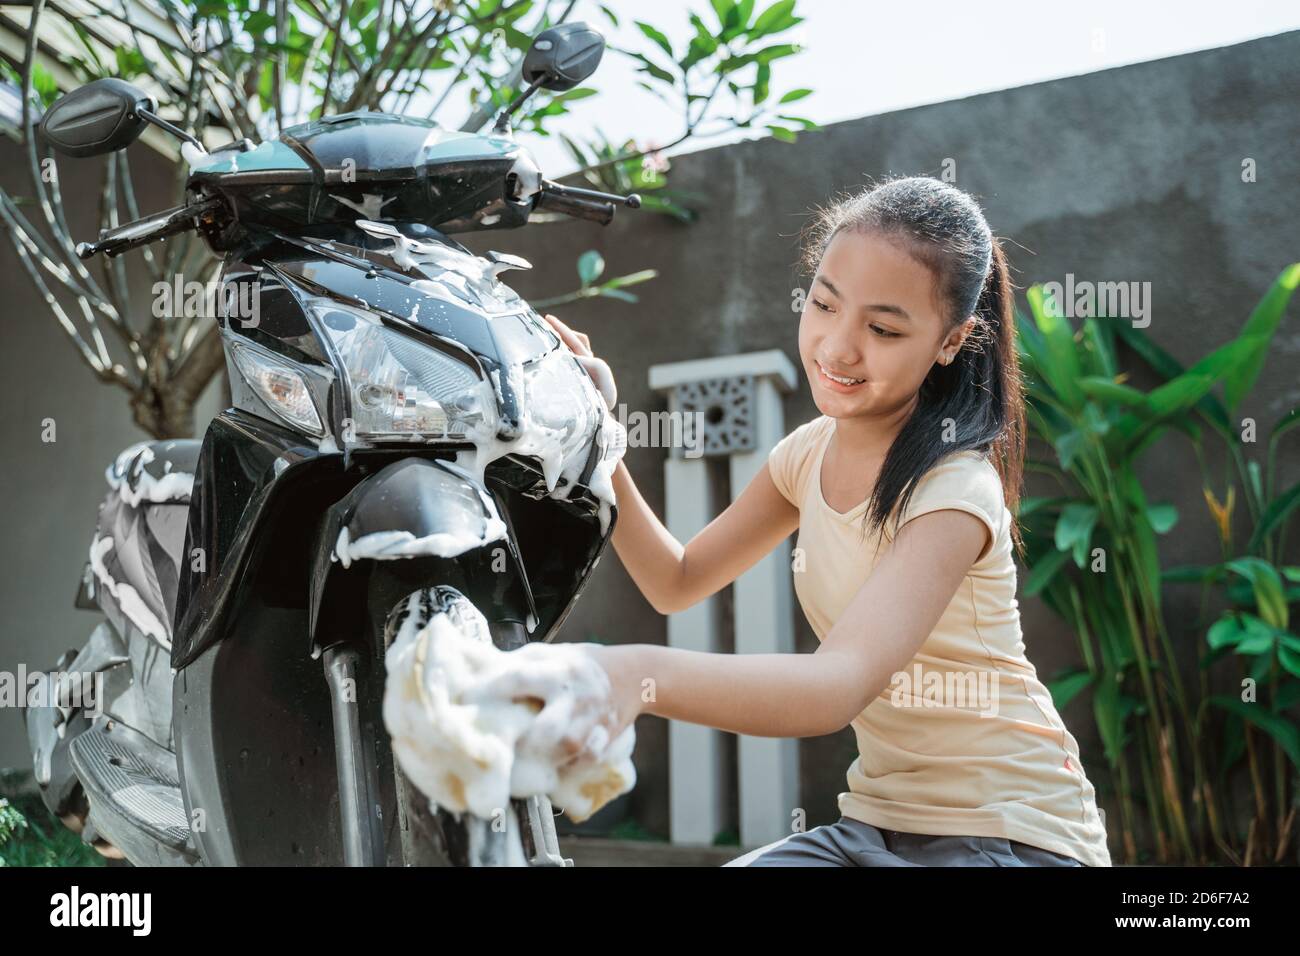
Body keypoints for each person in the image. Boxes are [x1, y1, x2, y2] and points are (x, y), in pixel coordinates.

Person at [518, 175, 1111, 867]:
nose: (837, 347)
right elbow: (676, 581)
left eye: (883, 328)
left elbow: (836, 686)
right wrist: (598, 434)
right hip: (874, 829)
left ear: (951, 341)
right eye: (824, 304)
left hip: (1013, 835)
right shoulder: (805, 456)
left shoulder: (954, 490)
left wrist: (634, 676)